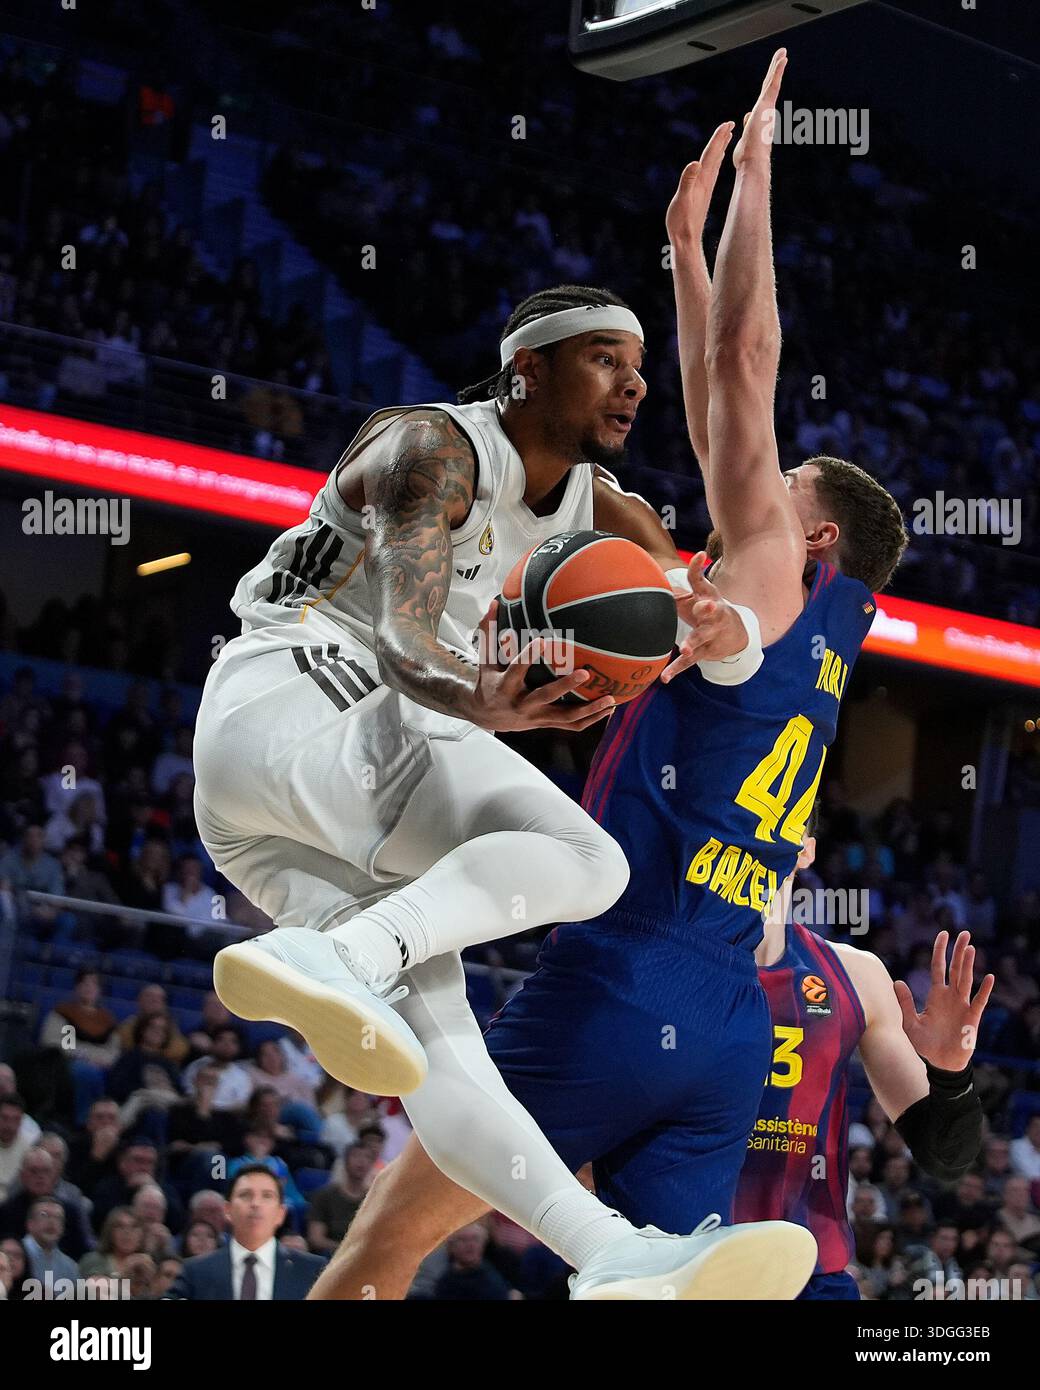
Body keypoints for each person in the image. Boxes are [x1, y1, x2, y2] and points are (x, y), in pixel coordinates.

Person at [193, 142, 785, 1295]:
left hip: (266, 814)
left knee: (442, 1053)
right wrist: (476, 699)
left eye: (638, 367)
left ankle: (612, 1257)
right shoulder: (429, 444)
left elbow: (704, 612)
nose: (632, 386)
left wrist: (719, 633)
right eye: (604, 360)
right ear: (525, 371)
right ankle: (342, 954)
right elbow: (405, 626)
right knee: (586, 859)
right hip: (299, 689)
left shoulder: (603, 508)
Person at [734, 839, 992, 1299]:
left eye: (781, 814)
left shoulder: (856, 974)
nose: (759, 826)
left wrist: (951, 1075)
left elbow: (945, 1157)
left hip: (810, 1276)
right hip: (690, 1265)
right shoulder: (666, 961)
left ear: (807, 849)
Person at [164, 1165, 326, 1300]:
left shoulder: (312, 1270)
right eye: (245, 1195)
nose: (255, 1203)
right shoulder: (196, 1271)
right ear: (227, 1210)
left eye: (267, 1196)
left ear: (280, 1213)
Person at [306, 1143, 376, 1255]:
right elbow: (316, 1238)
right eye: (356, 1156)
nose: (361, 1161)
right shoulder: (325, 1195)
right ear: (345, 1161)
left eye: (367, 1157)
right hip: (330, 1256)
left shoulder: (375, 1199)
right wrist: (347, 1250)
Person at [22, 1197, 79, 1286]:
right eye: (44, 1215)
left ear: (63, 1227)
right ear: (30, 1224)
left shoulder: (69, 1267)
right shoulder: (16, 1255)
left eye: (58, 1217)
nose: (51, 1222)